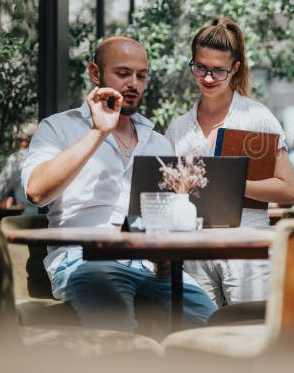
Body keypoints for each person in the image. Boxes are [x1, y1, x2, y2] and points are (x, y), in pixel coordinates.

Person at [21, 36, 217, 331]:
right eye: (123, 74)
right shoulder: (59, 127)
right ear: (95, 73)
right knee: (117, 333)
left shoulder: (158, 142)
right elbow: (36, 192)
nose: (133, 84)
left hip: (150, 266)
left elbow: (162, 215)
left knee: (210, 324)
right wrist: (98, 132)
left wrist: (165, 252)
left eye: (141, 76)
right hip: (85, 260)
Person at [165, 18, 294, 306]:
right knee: (198, 339)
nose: (208, 78)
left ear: (234, 68)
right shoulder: (178, 128)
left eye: (219, 70)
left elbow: (287, 190)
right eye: (200, 68)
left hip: (247, 247)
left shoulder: (257, 118)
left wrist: (229, 184)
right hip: (194, 248)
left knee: (249, 335)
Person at [0, 121, 37, 213]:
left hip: (30, 218)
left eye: (17, 140)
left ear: (27, 140)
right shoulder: (53, 154)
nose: (13, 145)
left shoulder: (17, 158)